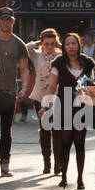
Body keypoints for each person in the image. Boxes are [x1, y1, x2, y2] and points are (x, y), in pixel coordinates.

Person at [47, 33, 95, 190]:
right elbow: (52, 86)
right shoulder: (58, 63)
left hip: (82, 107)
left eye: (74, 43)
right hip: (63, 107)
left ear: (79, 45)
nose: (71, 46)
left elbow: (90, 82)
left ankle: (80, 179)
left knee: (80, 143)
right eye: (68, 44)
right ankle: (63, 177)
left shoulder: (87, 63)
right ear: (63, 46)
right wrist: (46, 105)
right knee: (65, 143)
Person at [0, 7, 27, 180]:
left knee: (6, 130)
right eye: (3, 19)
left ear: (13, 21)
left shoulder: (19, 44)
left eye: (9, 19)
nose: (6, 22)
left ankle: (5, 164)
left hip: (9, 92)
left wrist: (24, 88)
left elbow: (24, 68)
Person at [26, 28, 62, 175]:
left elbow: (74, 53)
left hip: (57, 97)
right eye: (46, 43)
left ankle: (58, 163)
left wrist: (59, 46)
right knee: (45, 131)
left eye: (52, 43)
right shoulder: (36, 56)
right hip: (40, 97)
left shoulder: (60, 56)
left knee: (58, 131)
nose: (49, 47)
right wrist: (39, 42)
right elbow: (26, 47)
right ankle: (46, 163)